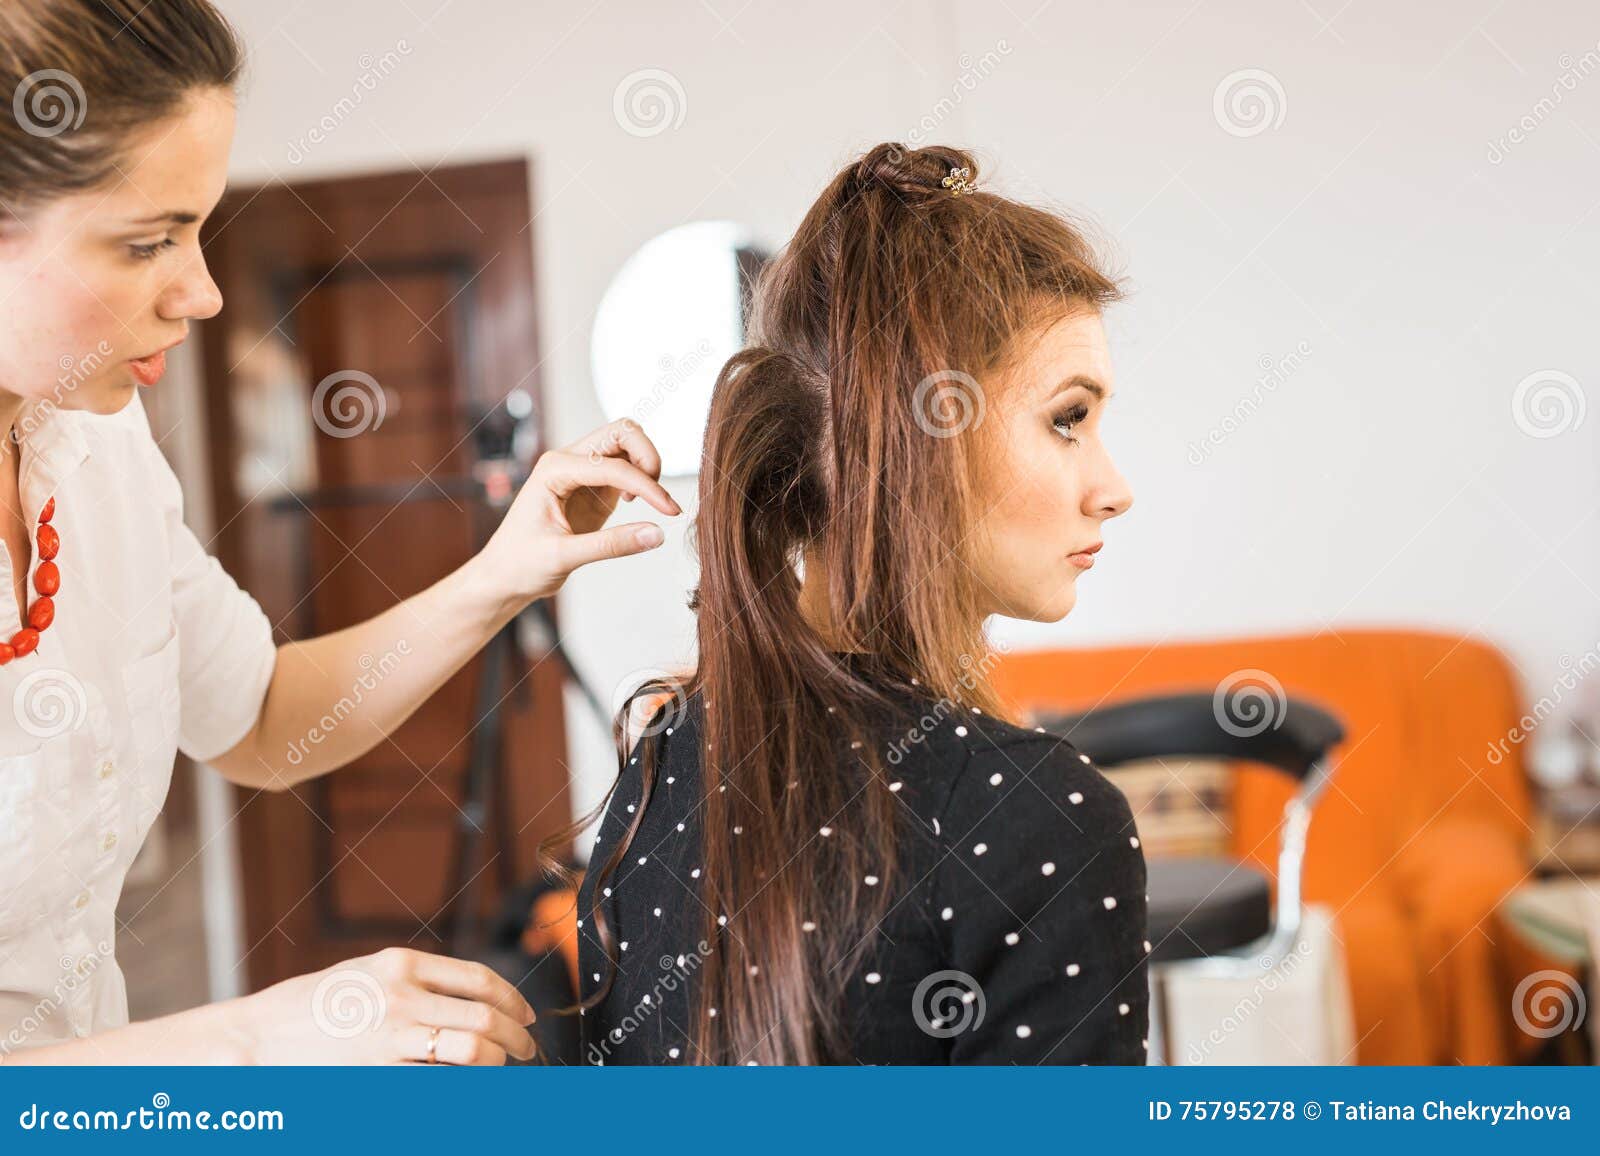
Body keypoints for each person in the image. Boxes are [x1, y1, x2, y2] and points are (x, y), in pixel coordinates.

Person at [0, 0, 678, 1064]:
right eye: (147, 241)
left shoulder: (98, 445)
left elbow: (265, 720)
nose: (205, 292)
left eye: (198, 228)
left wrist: (504, 573)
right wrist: (258, 1039)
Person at [562, 143, 1148, 1065]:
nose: (1113, 488)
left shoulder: (662, 762)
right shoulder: (1044, 821)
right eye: (1068, 419)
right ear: (924, 440)